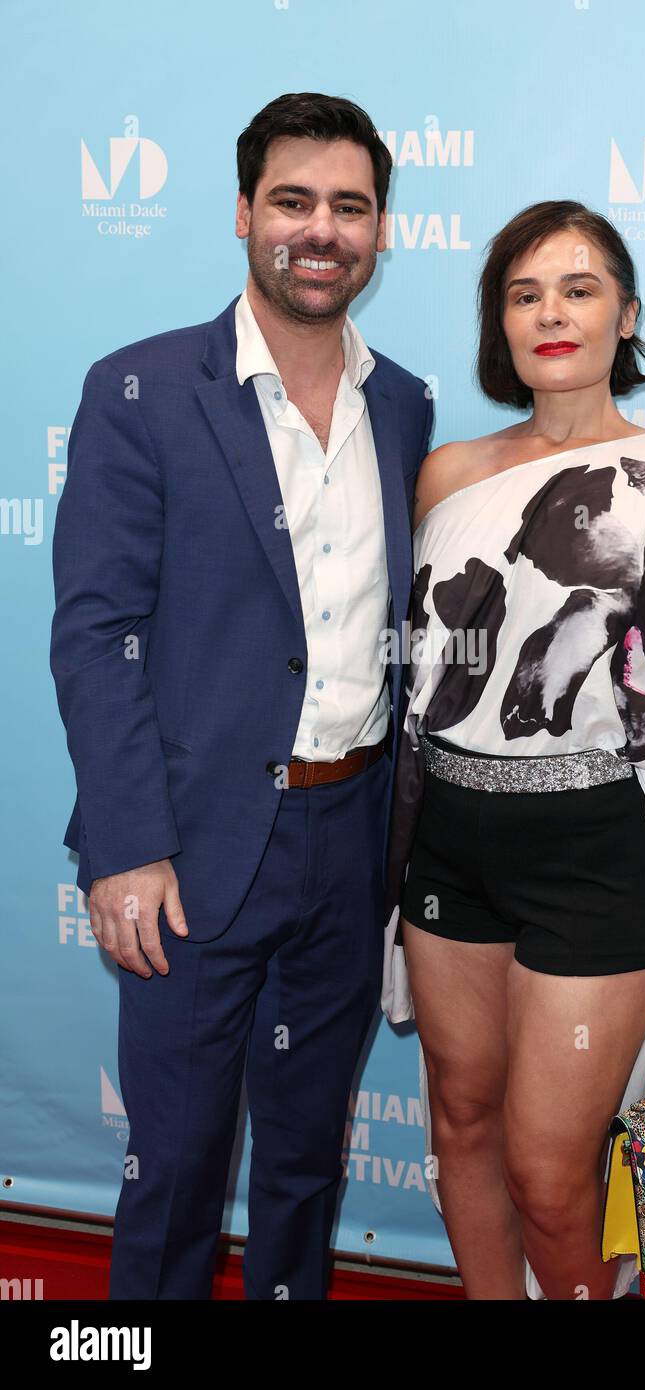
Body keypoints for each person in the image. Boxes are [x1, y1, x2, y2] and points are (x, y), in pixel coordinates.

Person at [50, 92, 431, 1299]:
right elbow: (95, 633)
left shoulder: (406, 406)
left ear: (379, 231)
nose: (321, 229)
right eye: (293, 201)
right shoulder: (144, 390)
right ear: (242, 215)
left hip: (349, 841)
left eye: (349, 207)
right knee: (173, 1171)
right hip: (189, 849)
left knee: (306, 1168)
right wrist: (125, 848)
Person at [381, 200, 645, 1300]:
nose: (550, 312)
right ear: (498, 325)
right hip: (447, 846)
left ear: (627, 314)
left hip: (595, 852)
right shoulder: (443, 476)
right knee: (461, 1121)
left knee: (553, 1174)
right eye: (524, 294)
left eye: (579, 288)